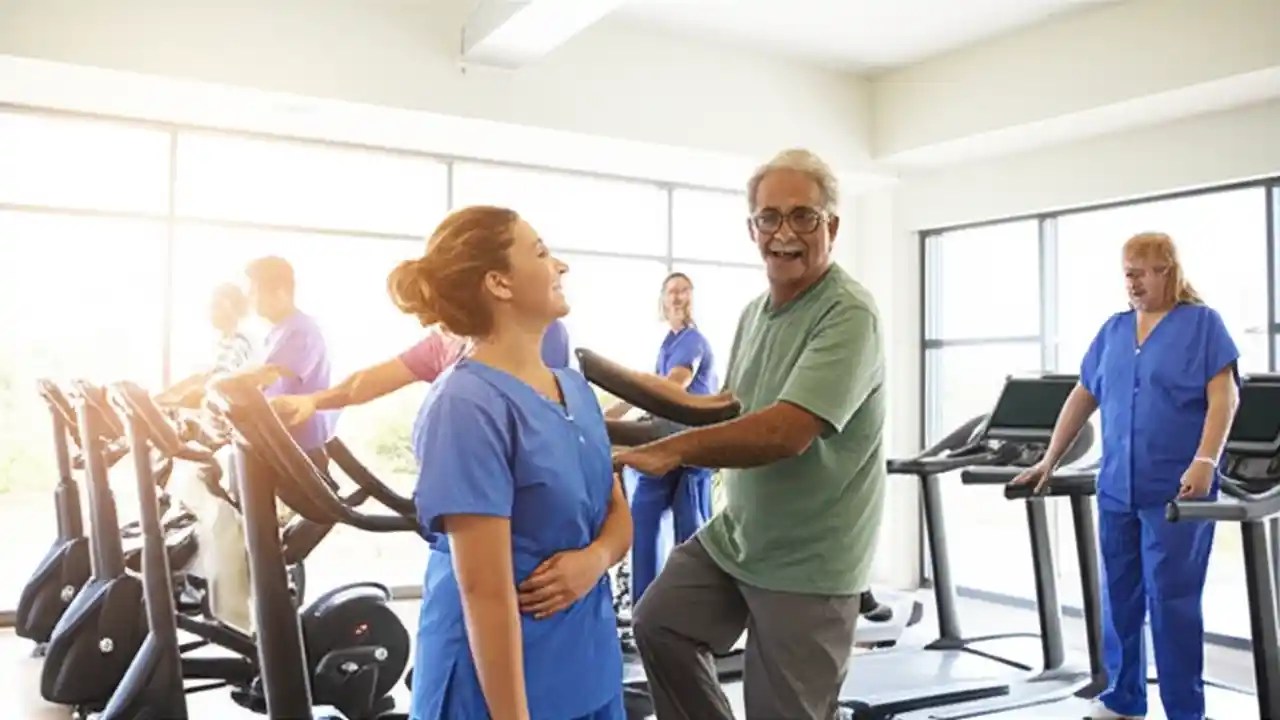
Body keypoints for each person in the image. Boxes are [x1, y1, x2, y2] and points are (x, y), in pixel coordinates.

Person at [613, 148, 886, 720]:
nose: (784, 233)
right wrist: (622, 413)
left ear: (831, 226)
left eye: (803, 216)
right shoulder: (755, 313)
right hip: (742, 537)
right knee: (659, 623)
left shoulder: (848, 313)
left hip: (811, 556)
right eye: (770, 218)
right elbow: (729, 406)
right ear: (752, 228)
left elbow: (785, 431)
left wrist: (672, 449)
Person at [391, 205, 630, 720]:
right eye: (541, 252)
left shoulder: (575, 390)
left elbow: (617, 516)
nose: (560, 266)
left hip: (587, 661)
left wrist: (595, 560)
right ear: (499, 283)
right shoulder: (465, 403)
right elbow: (484, 590)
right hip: (497, 686)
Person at [1011, 231, 1239, 720]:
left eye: (1139, 272)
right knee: (1119, 595)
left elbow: (1226, 397)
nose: (1131, 282)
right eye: (1126, 273)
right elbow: (1082, 396)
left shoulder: (1202, 325)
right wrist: (1050, 459)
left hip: (1176, 489)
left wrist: (1205, 461)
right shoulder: (1113, 330)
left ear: (1167, 271)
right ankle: (1124, 697)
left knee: (1173, 601)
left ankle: (1185, 710)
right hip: (1117, 486)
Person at [606, 271, 717, 603]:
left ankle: (698, 607)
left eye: (684, 290)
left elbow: (673, 385)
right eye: (672, 291)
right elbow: (653, 385)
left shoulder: (693, 341)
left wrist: (629, 383)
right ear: (662, 299)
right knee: (643, 520)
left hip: (690, 448)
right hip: (665, 440)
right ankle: (644, 606)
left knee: (691, 531)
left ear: (692, 298)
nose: (678, 297)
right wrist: (611, 412)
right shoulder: (669, 342)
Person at [269, 310, 572, 429]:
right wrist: (312, 401)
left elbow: (553, 420)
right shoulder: (443, 344)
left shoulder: (544, 334)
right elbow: (367, 382)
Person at [240, 256, 336, 469]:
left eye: (254, 291)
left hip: (299, 450)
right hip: (278, 443)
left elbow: (261, 377)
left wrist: (218, 386)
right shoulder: (277, 332)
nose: (249, 298)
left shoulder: (301, 332)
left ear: (280, 292)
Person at [157, 283, 254, 407]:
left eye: (218, 306)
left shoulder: (239, 343)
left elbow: (219, 380)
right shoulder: (220, 343)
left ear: (236, 309)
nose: (212, 312)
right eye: (211, 306)